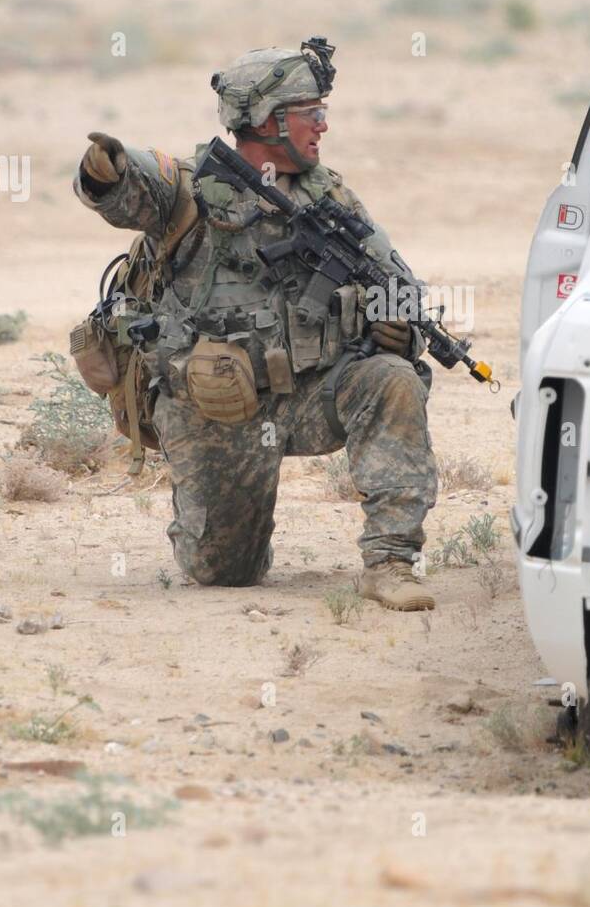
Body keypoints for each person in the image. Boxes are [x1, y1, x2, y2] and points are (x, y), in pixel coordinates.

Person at [73, 38, 437, 610]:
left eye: (324, 113)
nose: (322, 126)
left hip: (312, 396)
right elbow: (127, 189)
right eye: (310, 114)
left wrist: (402, 329)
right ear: (267, 121)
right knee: (223, 574)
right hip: (215, 407)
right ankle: (220, 524)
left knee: (392, 377)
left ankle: (391, 561)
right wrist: (108, 172)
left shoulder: (331, 197)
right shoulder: (191, 191)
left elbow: (400, 287)